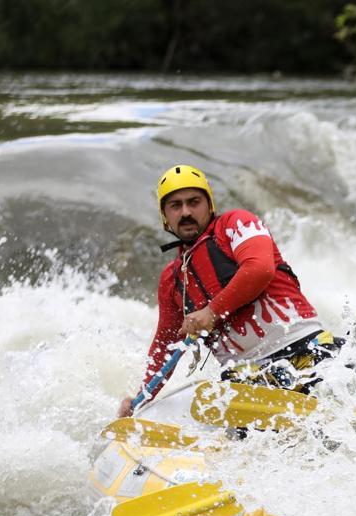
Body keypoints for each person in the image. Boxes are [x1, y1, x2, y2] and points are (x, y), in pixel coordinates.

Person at [117, 165, 328, 417]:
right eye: (175, 205)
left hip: (303, 348)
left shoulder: (236, 224)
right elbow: (165, 348)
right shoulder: (171, 280)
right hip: (245, 381)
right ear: (165, 216)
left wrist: (212, 311)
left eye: (194, 202)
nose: (185, 212)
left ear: (209, 205)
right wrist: (141, 399)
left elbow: (260, 269)